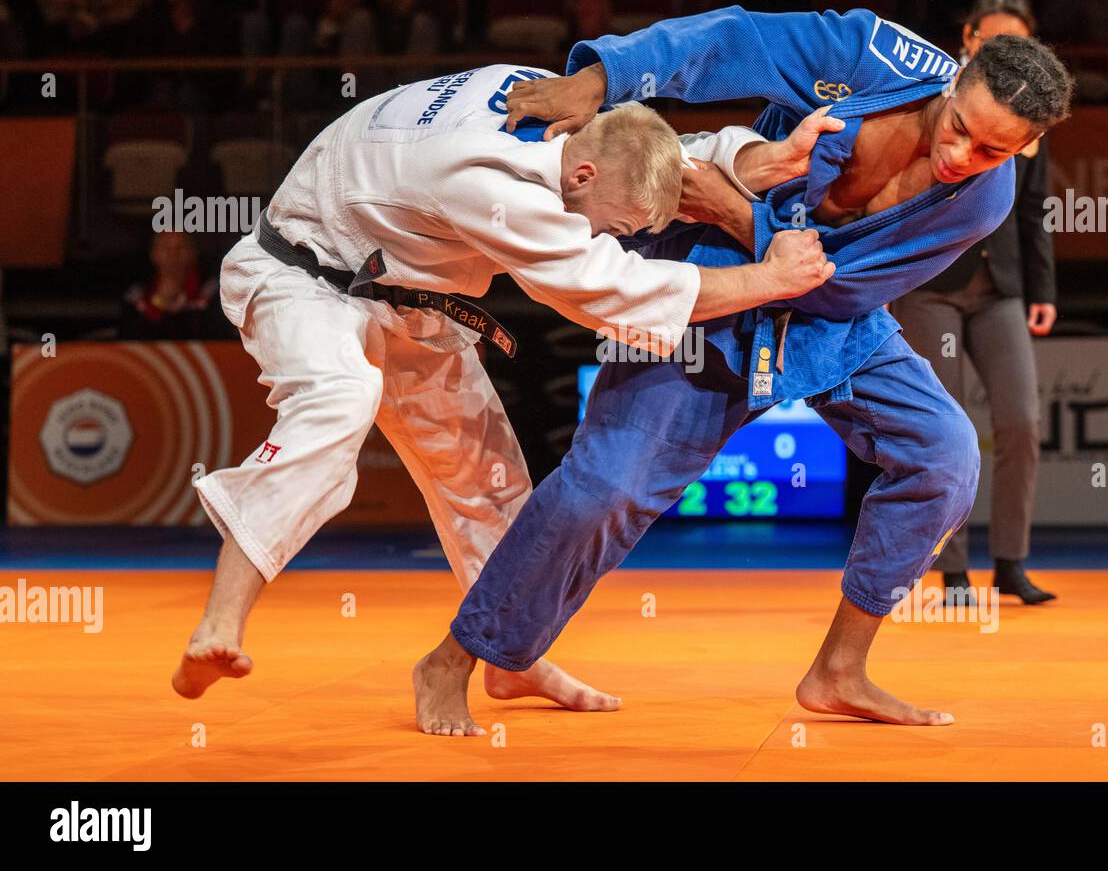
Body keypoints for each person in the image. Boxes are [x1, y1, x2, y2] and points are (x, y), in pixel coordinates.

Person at [414, 5, 1073, 737]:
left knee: (944, 457)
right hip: (711, 288)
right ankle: (462, 657)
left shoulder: (985, 199)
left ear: (1027, 146)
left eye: (991, 150)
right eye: (960, 128)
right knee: (605, 489)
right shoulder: (870, 57)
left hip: (828, 319)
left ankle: (838, 671)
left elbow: (845, 288)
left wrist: (737, 211)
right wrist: (605, 76)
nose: (961, 156)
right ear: (956, 82)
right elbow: (735, 39)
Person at [170, 61, 836, 725]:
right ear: (582, 179)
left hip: (409, 292)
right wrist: (769, 280)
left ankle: (510, 659)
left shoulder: (567, 115)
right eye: (613, 226)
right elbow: (615, 289)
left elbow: (667, 154)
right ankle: (219, 624)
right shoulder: (495, 184)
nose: (609, 237)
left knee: (489, 483)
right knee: (341, 400)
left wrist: (769, 157)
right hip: (301, 275)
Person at [891, 0, 1057, 607]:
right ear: (967, 38)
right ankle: (952, 569)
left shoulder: (1029, 119)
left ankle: (1011, 562)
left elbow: (1036, 210)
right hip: (931, 286)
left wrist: (1043, 288)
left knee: (1021, 421)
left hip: (1002, 289)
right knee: (948, 425)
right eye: (991, 39)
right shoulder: (939, 102)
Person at [121, 229, 232, 341]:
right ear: (154, 254)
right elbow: (130, 340)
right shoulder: (137, 294)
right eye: (165, 248)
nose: (173, 255)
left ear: (193, 253)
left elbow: (219, 337)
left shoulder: (214, 291)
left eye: (181, 248)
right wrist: (160, 301)